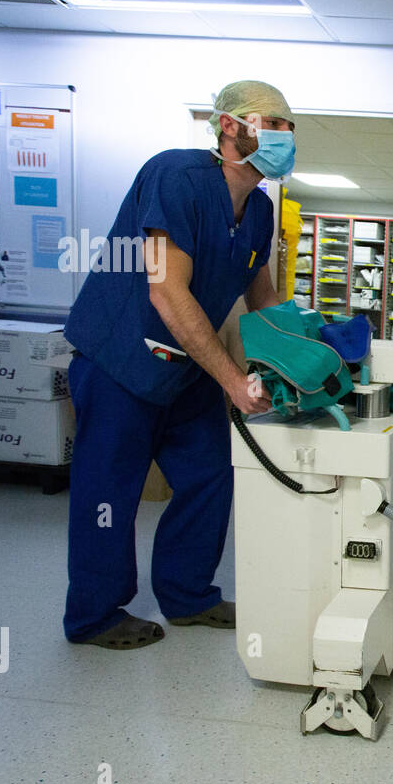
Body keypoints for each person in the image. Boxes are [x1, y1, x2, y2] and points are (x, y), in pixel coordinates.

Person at [61, 80, 297, 649]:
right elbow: (168, 293)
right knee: (108, 489)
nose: (283, 136)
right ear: (229, 126)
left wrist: (313, 349)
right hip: (121, 357)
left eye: (289, 127)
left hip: (185, 362)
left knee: (210, 473)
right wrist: (235, 383)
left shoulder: (260, 210)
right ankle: (93, 615)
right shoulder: (176, 177)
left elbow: (260, 296)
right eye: (271, 123)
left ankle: (189, 595)